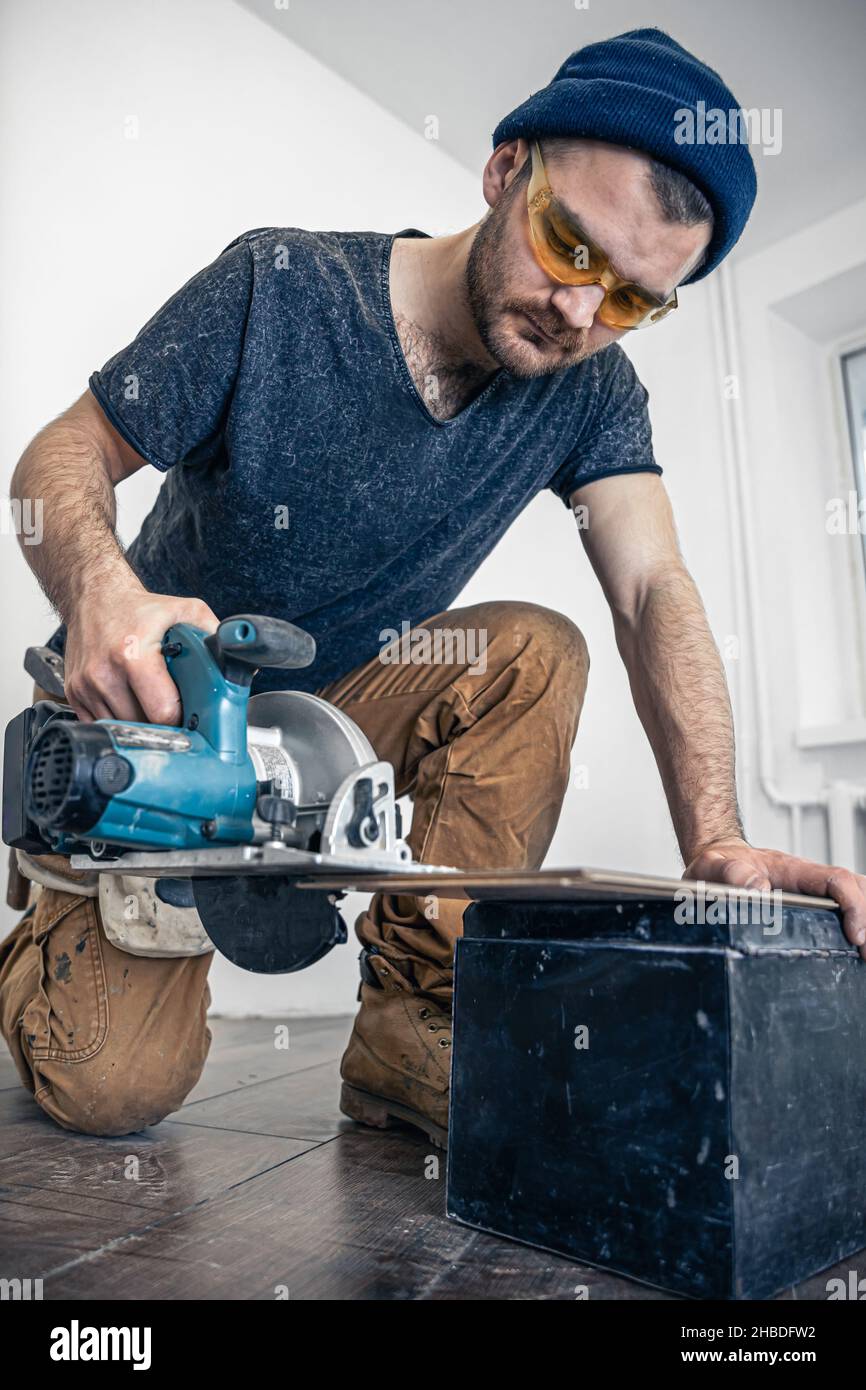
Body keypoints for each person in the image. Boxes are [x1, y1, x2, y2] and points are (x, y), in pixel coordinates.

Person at [3, 29, 864, 1144]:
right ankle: (58, 911)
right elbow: (57, 461)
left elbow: (652, 585)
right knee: (110, 1092)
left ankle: (416, 1021)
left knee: (534, 651)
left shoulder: (593, 391)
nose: (578, 312)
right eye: (567, 247)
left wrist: (713, 835)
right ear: (506, 170)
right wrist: (102, 598)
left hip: (342, 713)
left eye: (631, 301)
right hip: (168, 718)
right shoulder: (281, 285)